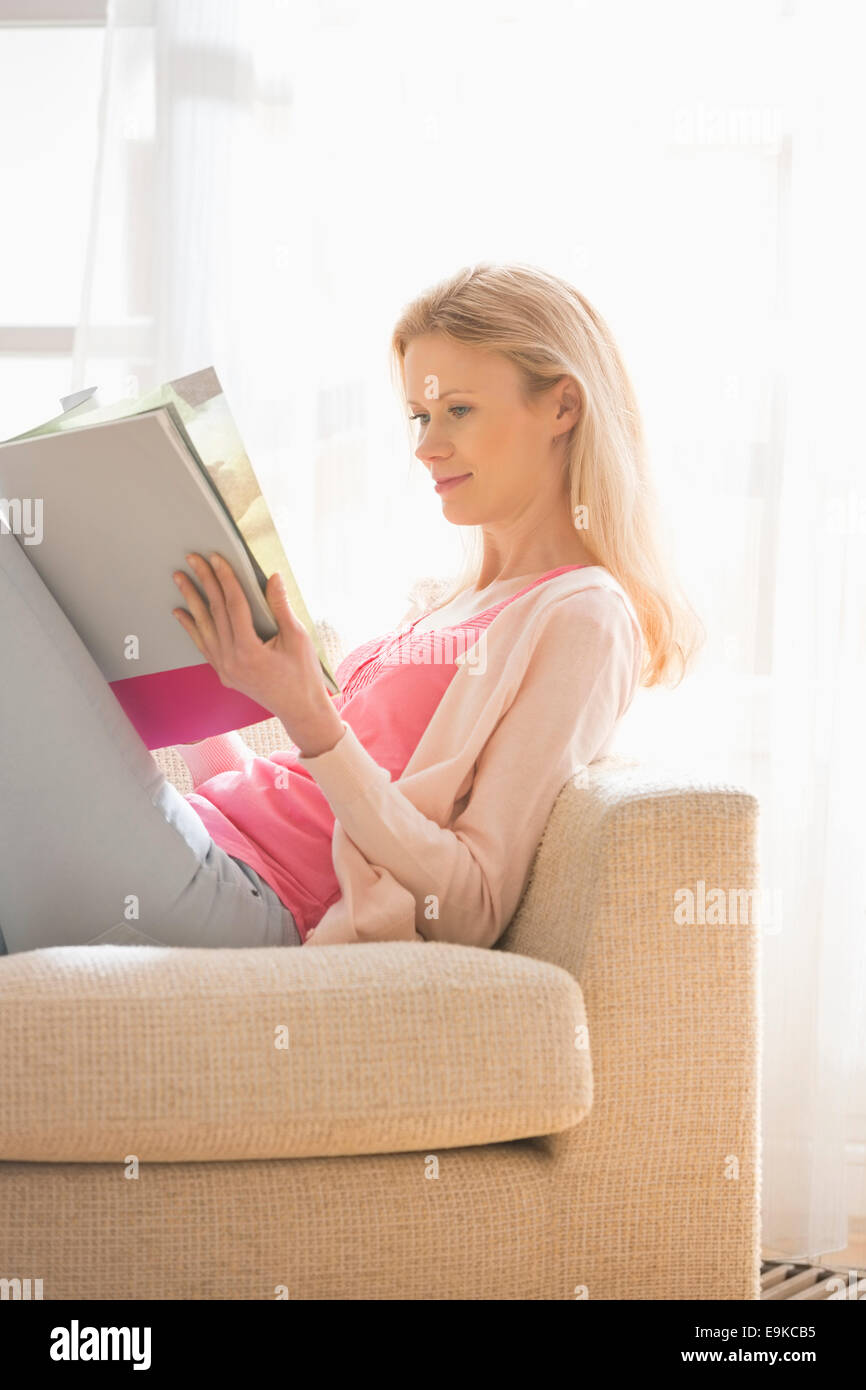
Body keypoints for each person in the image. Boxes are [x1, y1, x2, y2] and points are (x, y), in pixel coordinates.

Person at [0, 261, 701, 956]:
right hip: (198, 841)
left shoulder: (584, 616)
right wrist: (193, 647)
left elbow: (471, 907)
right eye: (420, 416)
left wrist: (308, 715)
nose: (426, 447)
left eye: (458, 409)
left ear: (562, 406)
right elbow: (280, 802)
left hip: (245, 900)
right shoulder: (450, 604)